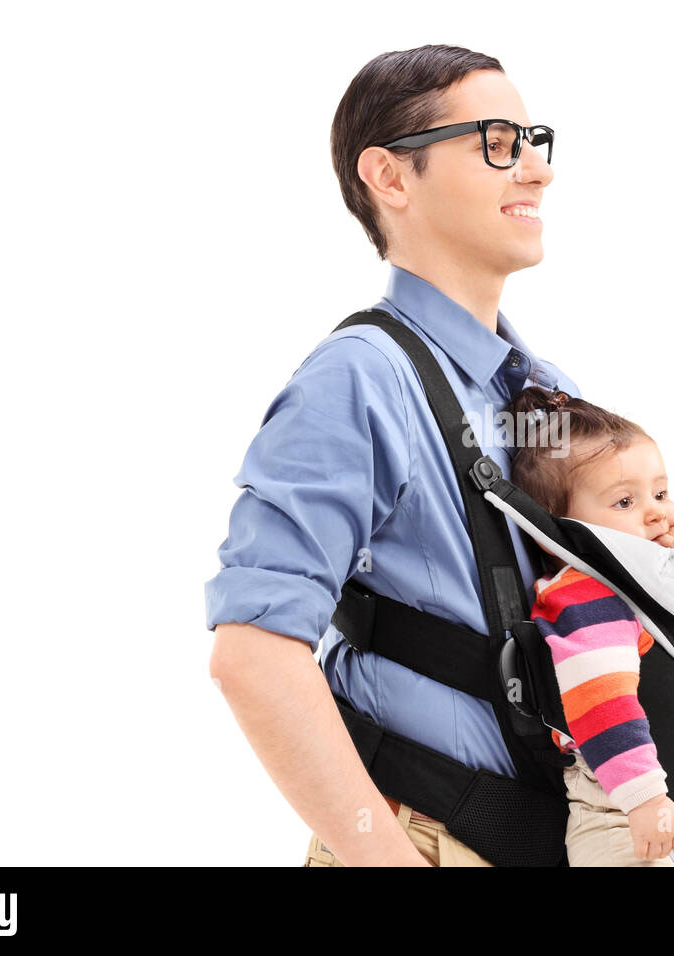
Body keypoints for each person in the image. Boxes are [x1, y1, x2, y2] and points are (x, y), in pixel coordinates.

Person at [204, 45, 576, 866]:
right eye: (497, 141)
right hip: (431, 841)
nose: (538, 170)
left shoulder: (543, 396)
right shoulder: (358, 381)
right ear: (392, 177)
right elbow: (253, 652)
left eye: (535, 139)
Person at [507, 386, 674, 866]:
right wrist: (644, 800)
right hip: (622, 817)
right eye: (624, 502)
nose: (656, 511)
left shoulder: (660, 582)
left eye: (661, 492)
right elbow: (601, 703)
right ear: (565, 528)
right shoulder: (586, 592)